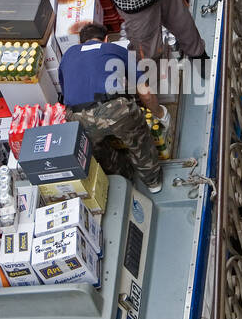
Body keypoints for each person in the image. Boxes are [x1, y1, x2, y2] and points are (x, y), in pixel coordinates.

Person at [58, 22, 165, 193]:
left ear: (80, 42)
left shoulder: (67, 56)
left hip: (78, 117)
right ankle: (153, 183)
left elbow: (67, 95)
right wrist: (159, 113)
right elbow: (144, 92)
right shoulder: (115, 50)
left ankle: (124, 179)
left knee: (99, 150)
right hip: (114, 110)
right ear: (106, 39)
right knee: (139, 142)